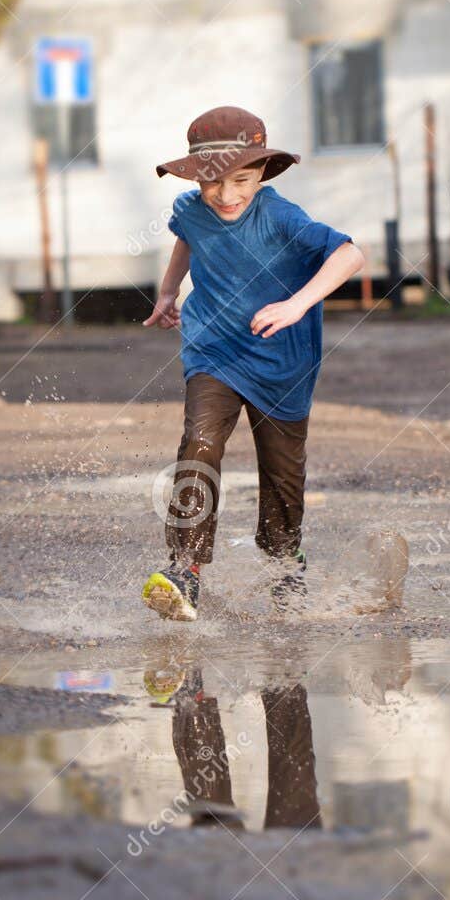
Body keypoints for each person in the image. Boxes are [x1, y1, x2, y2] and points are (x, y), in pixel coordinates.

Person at [141, 105, 365, 620]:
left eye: (241, 179)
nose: (226, 194)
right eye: (212, 182)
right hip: (213, 349)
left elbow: (350, 255)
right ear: (196, 177)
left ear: (262, 170)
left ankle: (285, 564)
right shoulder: (192, 208)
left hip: (283, 364)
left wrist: (296, 304)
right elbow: (187, 237)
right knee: (199, 442)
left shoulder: (281, 216)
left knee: (282, 476)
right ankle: (185, 570)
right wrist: (169, 290)